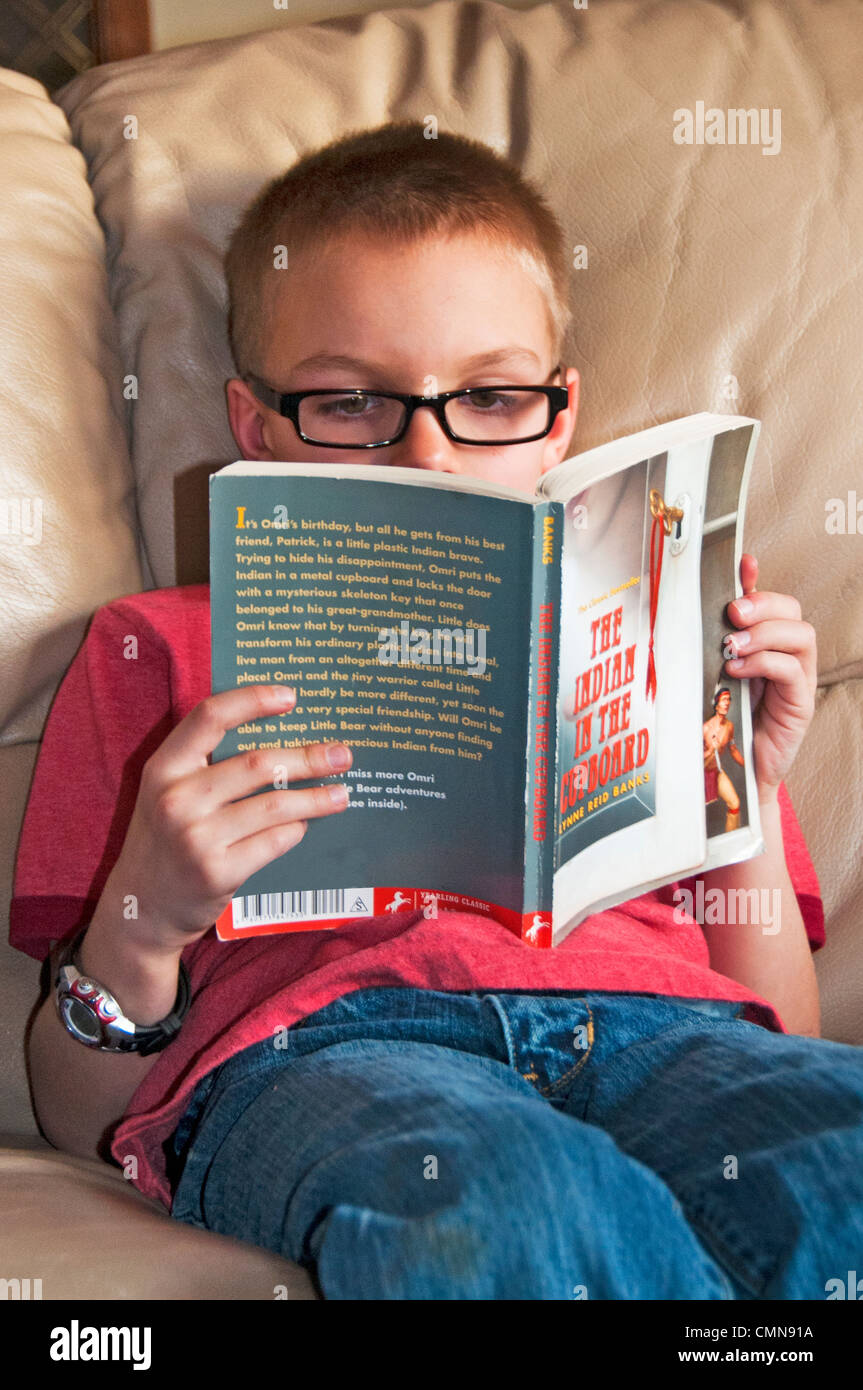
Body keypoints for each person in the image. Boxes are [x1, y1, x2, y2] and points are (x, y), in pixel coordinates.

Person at [16, 121, 863, 1301]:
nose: (425, 455)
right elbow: (72, 1113)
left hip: (668, 1037)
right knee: (512, 1202)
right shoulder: (155, 644)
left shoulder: (643, 619)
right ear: (256, 425)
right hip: (328, 1055)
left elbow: (779, 1025)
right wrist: (146, 919)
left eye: (489, 396)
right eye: (352, 404)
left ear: (556, 417)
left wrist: (749, 788)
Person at [703, 685, 745, 830]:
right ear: (716, 703)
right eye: (723, 700)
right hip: (699, 776)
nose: (727, 703)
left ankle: (732, 840)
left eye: (729, 700)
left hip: (717, 772)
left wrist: (749, 765)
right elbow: (691, 762)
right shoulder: (705, 728)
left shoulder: (729, 727)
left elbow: (733, 750)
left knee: (735, 804)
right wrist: (710, 750)